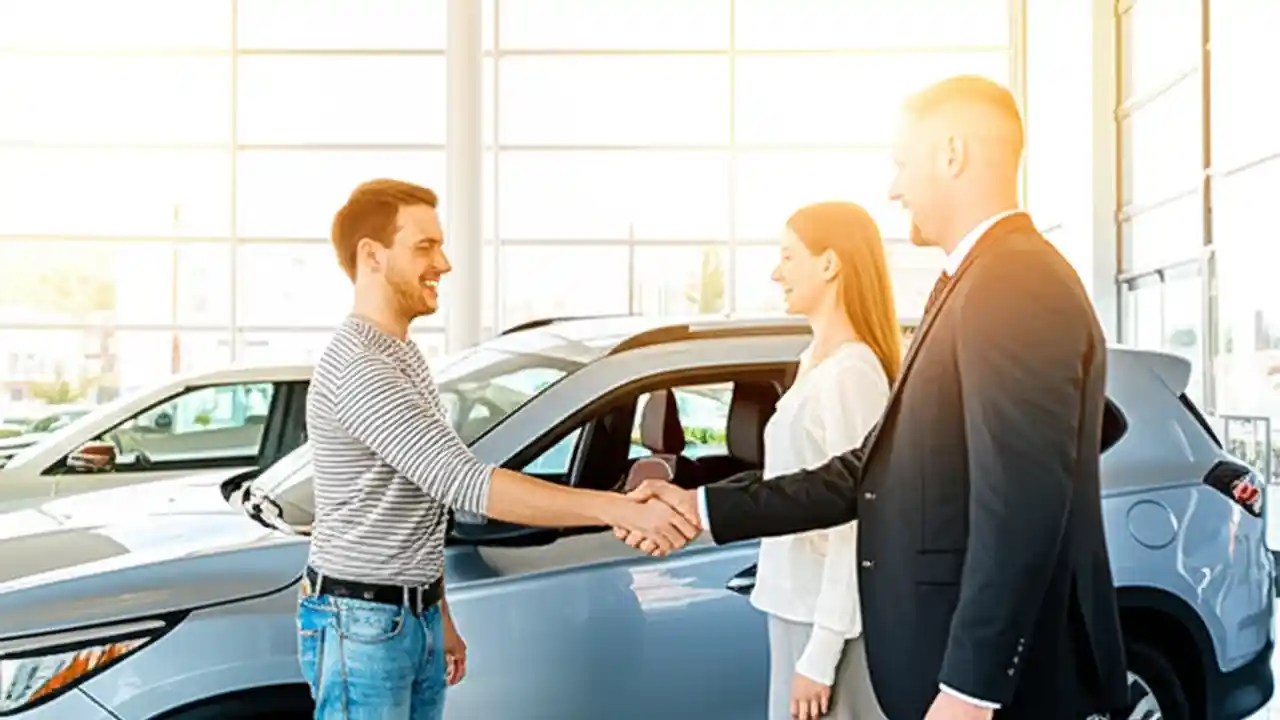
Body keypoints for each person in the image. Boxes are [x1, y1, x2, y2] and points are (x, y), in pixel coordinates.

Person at [621, 76, 1130, 720]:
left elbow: (1021, 504)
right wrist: (701, 505)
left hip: (1000, 692)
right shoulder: (977, 280)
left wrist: (971, 690)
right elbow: (871, 472)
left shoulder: (1013, 281)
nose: (894, 189)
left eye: (902, 164)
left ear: (952, 153)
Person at [298, 178, 699, 720]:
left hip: (403, 615)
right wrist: (617, 509)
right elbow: (463, 481)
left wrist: (436, 612)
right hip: (363, 624)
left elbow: (423, 498)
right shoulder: (360, 366)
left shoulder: (401, 354)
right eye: (425, 247)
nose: (444, 264)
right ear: (372, 255)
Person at [753, 202, 899, 720]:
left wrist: (820, 654)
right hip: (794, 611)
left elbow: (859, 520)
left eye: (788, 256)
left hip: (823, 625)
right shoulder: (813, 363)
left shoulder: (850, 374)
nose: (777, 273)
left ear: (830, 263)